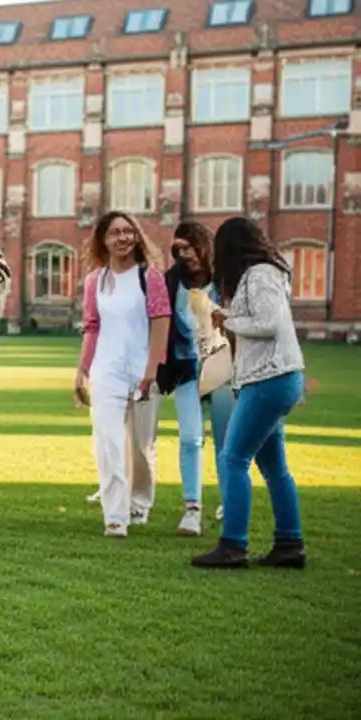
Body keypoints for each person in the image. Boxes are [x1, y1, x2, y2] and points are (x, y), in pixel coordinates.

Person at [193, 217, 307, 569]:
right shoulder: (263, 273)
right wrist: (229, 316)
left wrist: (228, 321)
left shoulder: (259, 274)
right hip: (276, 377)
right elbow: (262, 319)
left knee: (233, 458)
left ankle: (233, 545)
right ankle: (289, 543)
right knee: (273, 465)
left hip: (268, 378)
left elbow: (268, 323)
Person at [74, 211, 170, 538]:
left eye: (129, 232)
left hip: (143, 369)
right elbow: (91, 328)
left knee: (141, 447)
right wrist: (81, 372)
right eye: (115, 233)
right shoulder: (94, 282)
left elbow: (161, 322)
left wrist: (152, 369)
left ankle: (139, 503)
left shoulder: (150, 277)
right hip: (106, 370)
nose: (123, 238)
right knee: (108, 442)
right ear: (104, 239)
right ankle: (115, 516)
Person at [149, 221, 237, 536]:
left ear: (204, 246)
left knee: (226, 443)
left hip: (223, 370)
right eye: (179, 249)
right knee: (190, 438)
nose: (185, 255)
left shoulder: (225, 281)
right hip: (185, 369)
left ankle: (230, 502)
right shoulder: (171, 283)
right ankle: (192, 510)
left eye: (189, 247)